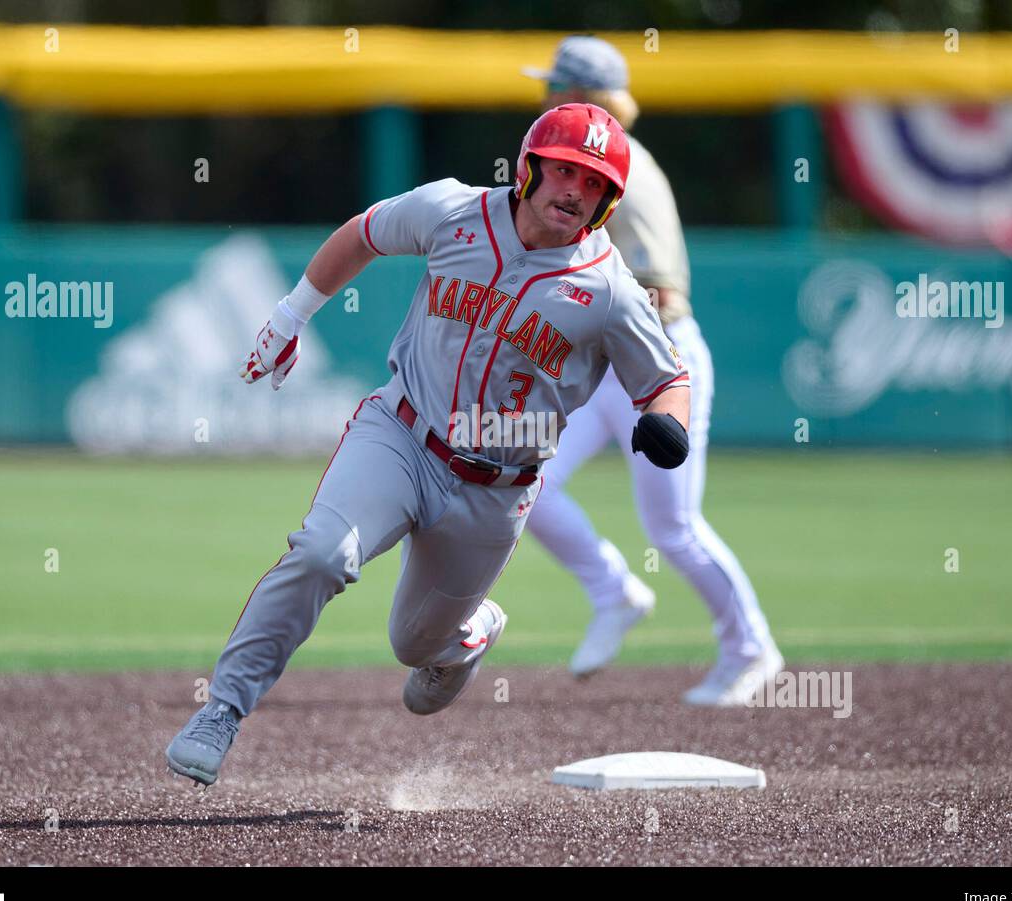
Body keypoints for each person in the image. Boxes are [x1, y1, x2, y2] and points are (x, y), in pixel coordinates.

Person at [165, 103, 691, 786]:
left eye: (595, 184)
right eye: (565, 171)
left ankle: (467, 635)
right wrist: (292, 314)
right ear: (530, 168)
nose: (575, 192)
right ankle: (223, 711)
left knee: (413, 647)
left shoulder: (611, 291)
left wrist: (669, 424)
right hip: (402, 434)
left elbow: (669, 378)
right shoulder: (453, 211)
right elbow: (363, 234)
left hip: (496, 488)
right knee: (325, 552)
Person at [521, 36, 784, 705]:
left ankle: (751, 645)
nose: (545, 95)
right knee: (530, 481)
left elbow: (661, 293)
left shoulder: (615, 162)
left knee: (673, 527)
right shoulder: (599, 160)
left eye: (555, 87)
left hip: (657, 361)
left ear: (579, 96)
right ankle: (614, 590)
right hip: (609, 367)